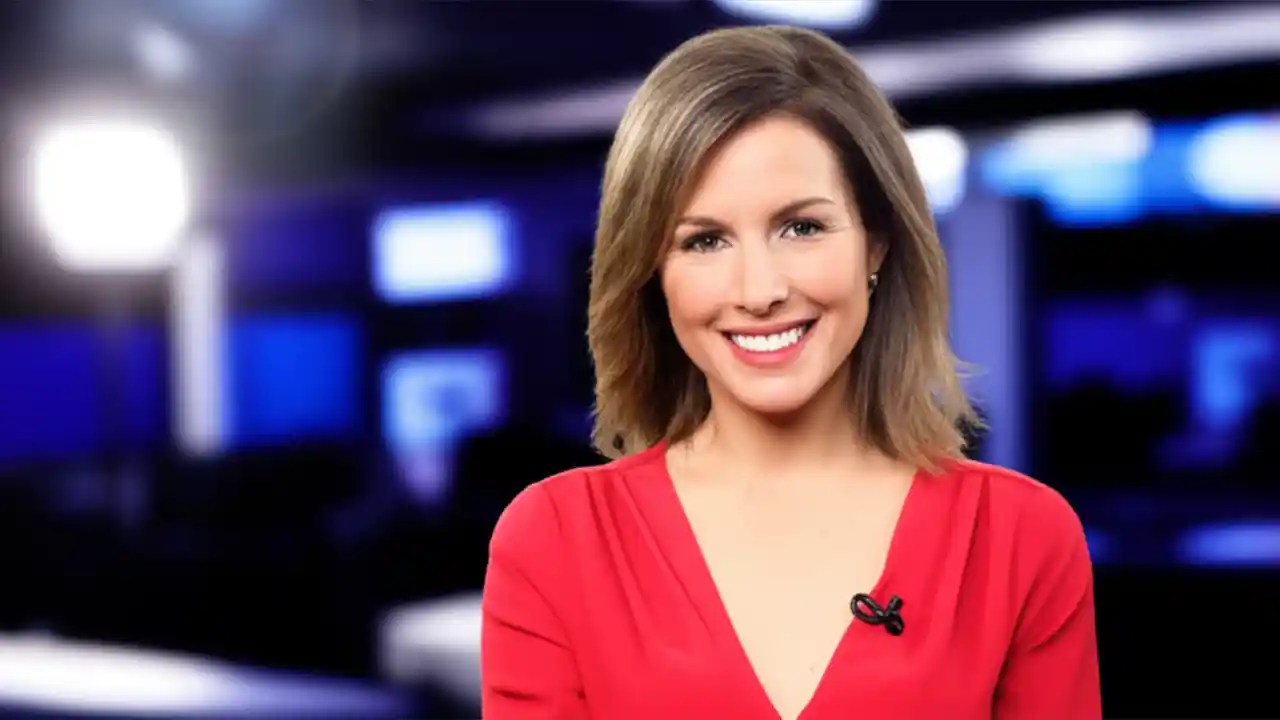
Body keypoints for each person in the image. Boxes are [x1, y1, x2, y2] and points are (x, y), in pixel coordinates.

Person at [480, 24, 1101, 720]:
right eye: (705, 240)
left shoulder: (1021, 539)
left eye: (801, 227)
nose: (759, 288)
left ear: (877, 244)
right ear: (653, 274)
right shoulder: (555, 542)